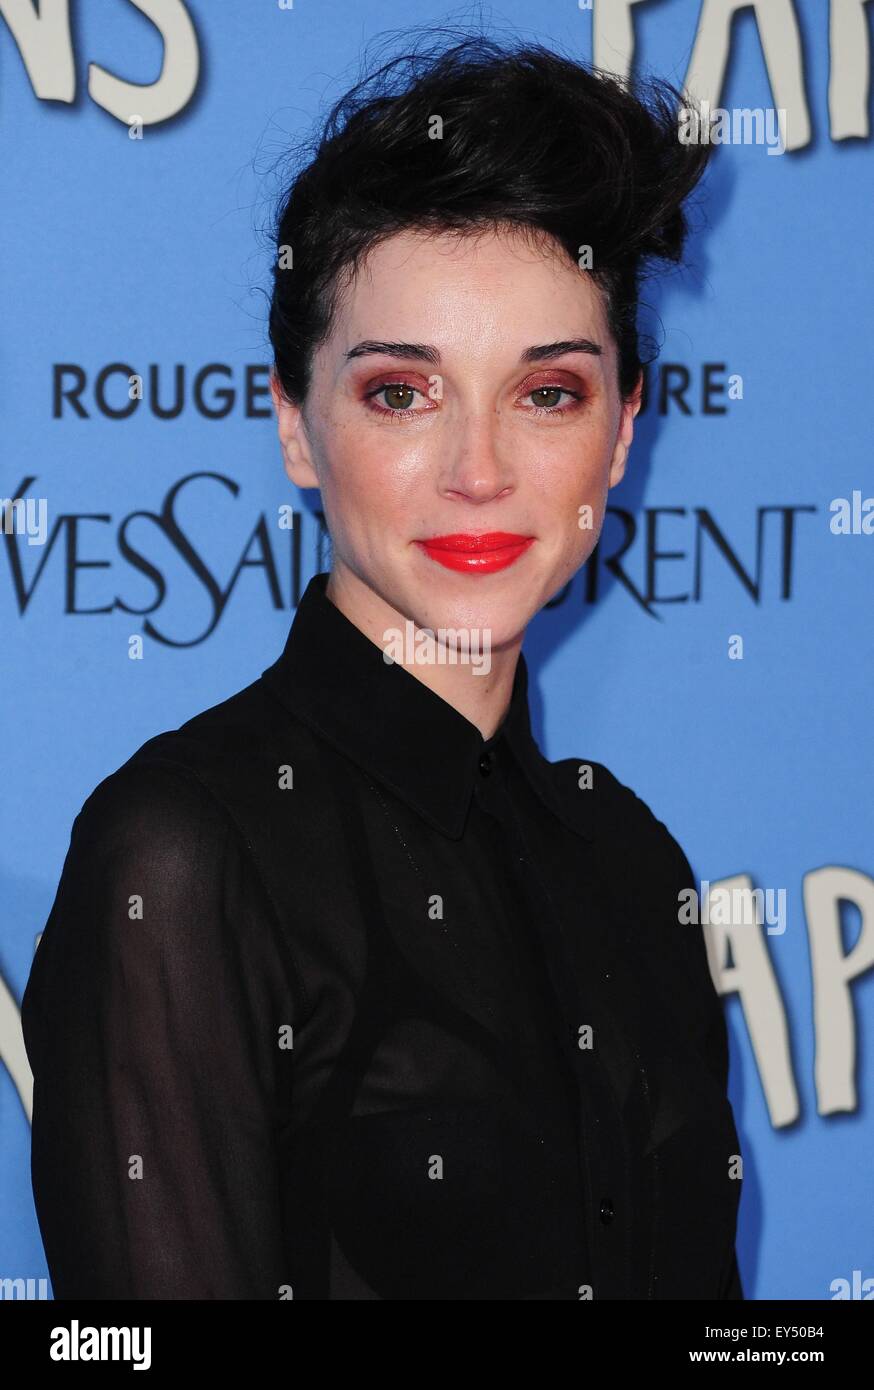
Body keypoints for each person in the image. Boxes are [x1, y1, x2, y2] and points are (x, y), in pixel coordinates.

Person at [22, 35, 743, 1300]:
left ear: (626, 427)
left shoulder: (630, 862)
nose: (479, 467)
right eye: (403, 392)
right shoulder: (184, 854)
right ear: (295, 424)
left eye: (549, 393)